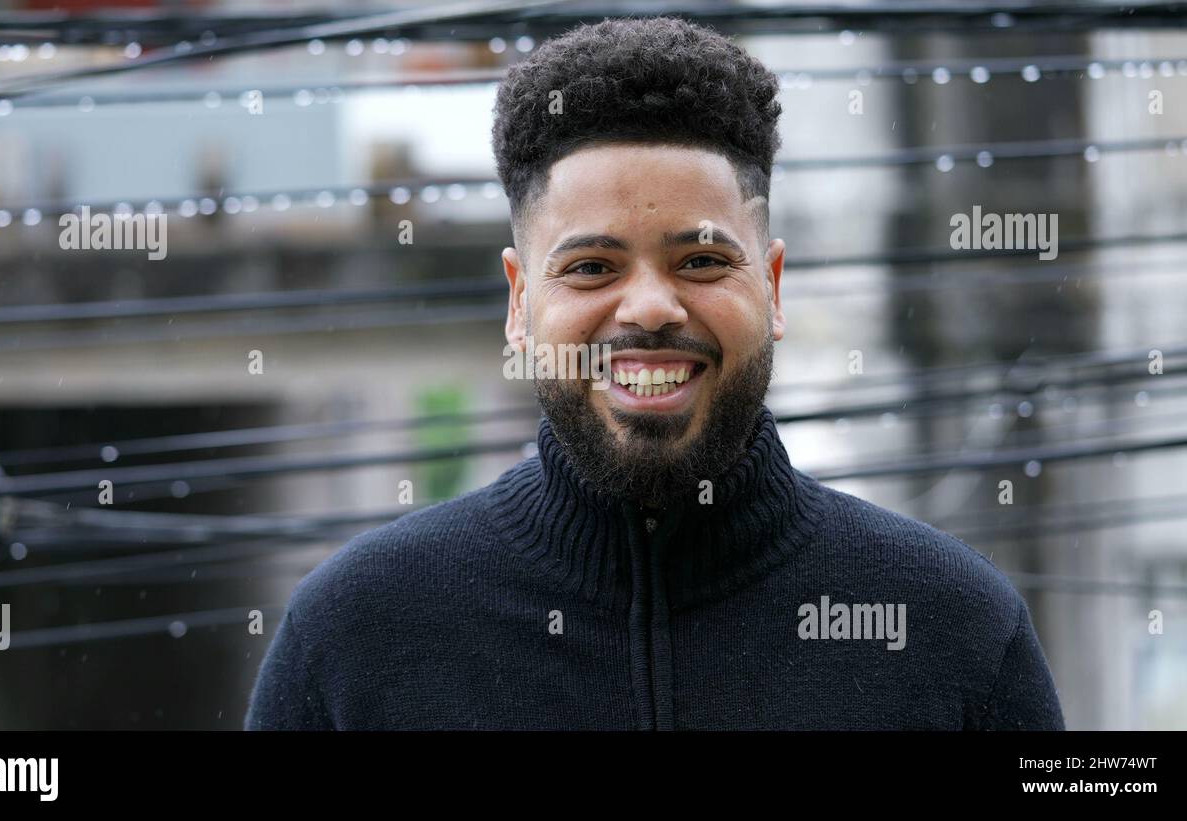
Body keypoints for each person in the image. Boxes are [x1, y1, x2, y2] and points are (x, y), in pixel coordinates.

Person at [245, 16, 1065, 730]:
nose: (648, 308)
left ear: (771, 287)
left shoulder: (955, 627)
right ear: (519, 301)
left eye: (702, 259)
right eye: (593, 267)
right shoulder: (355, 633)